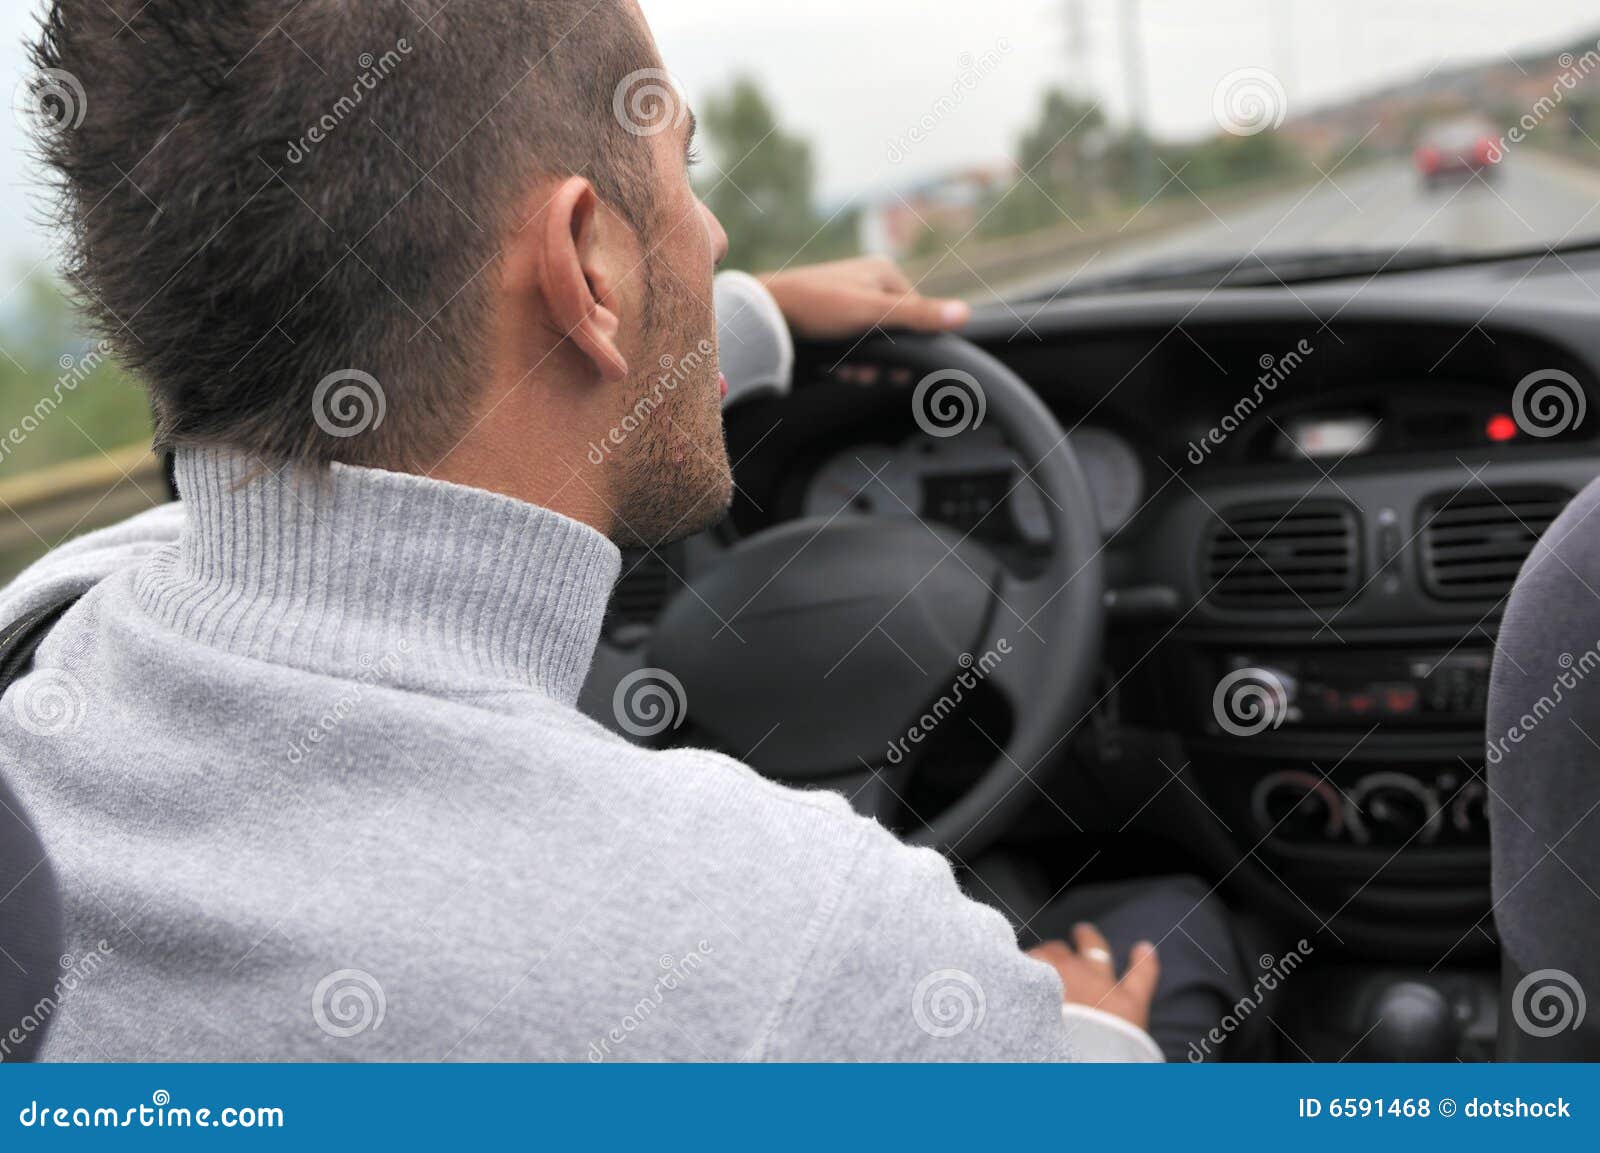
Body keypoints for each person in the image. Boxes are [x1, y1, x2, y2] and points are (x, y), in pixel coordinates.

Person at [1, 0, 1245, 1060]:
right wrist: (1092, 1032)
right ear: (592, 267)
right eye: (682, 179)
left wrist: (731, 323)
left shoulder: (46, 632)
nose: (706, 237)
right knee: (1177, 933)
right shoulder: (805, 951)